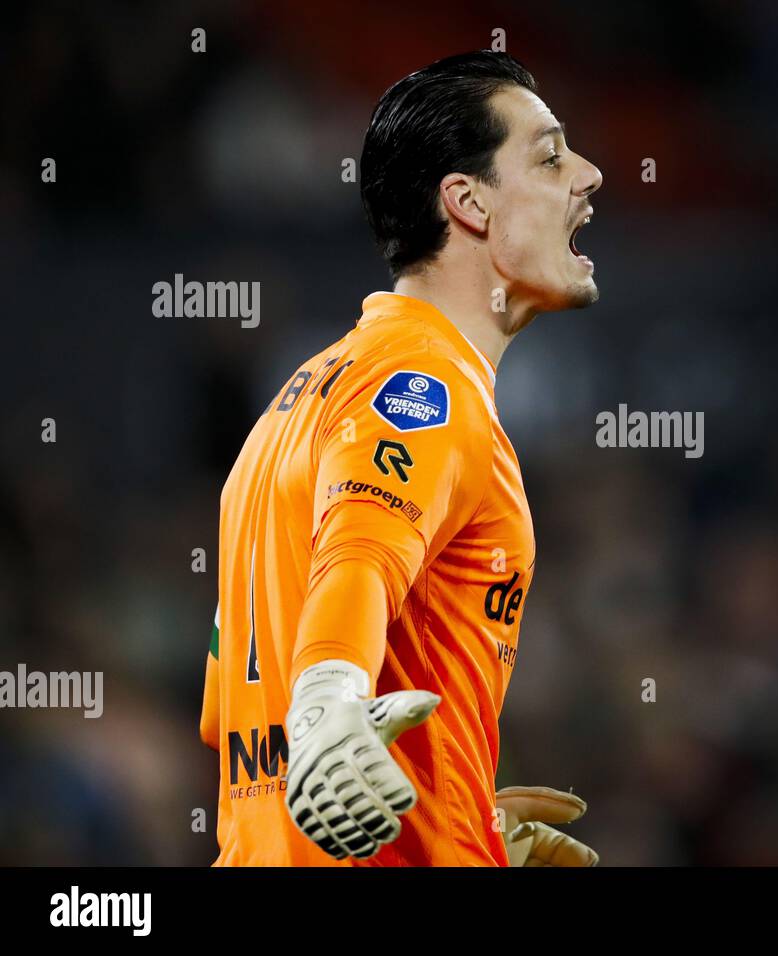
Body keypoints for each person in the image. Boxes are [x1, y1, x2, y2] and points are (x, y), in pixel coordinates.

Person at [199, 50, 602, 866]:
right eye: (550, 155)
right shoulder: (424, 384)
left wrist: (455, 816)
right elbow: (359, 563)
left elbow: (229, 718)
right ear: (468, 203)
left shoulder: (290, 408)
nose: (588, 176)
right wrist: (327, 701)